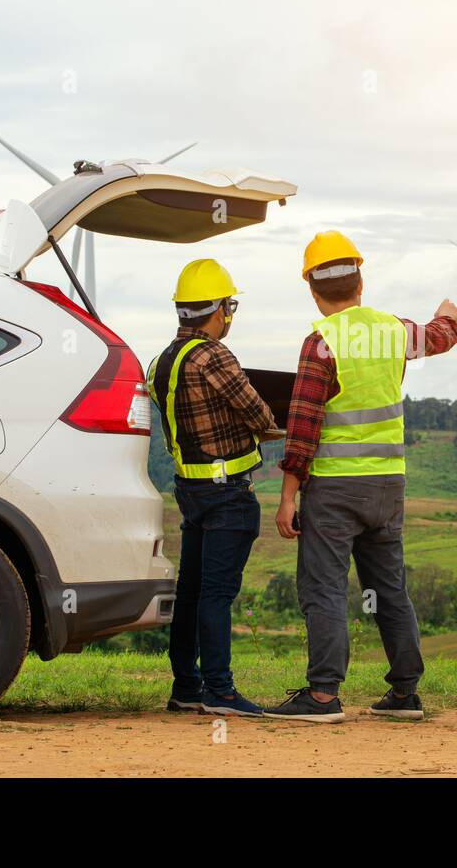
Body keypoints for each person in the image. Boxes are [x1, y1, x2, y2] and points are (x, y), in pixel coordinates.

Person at [264, 231, 457, 722]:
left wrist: (287, 497)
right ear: (361, 279)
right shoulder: (393, 330)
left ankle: (324, 696)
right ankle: (404, 694)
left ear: (312, 287)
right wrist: (450, 314)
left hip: (334, 490)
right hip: (388, 486)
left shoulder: (321, 343)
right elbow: (441, 335)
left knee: (324, 588)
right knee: (389, 588)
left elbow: (302, 429)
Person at [148, 258, 279, 717]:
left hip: (190, 490)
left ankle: (186, 686)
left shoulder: (162, 359)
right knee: (217, 595)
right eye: (229, 307)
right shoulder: (215, 356)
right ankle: (219, 691)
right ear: (220, 308)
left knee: (191, 591)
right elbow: (260, 416)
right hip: (228, 494)